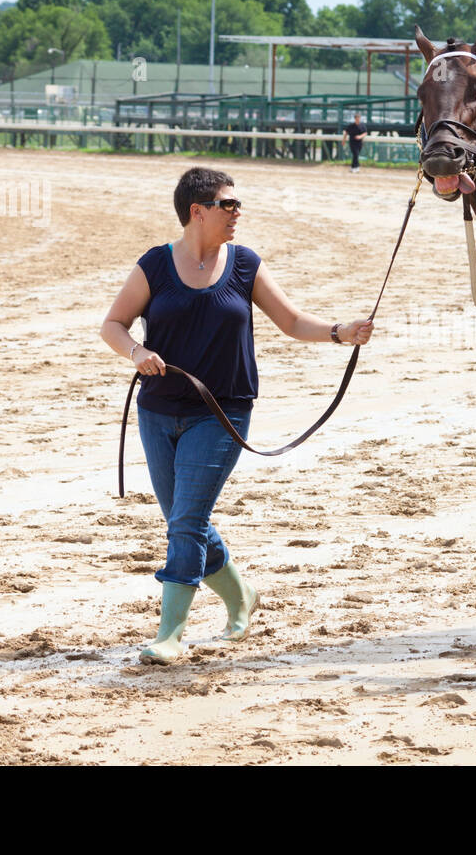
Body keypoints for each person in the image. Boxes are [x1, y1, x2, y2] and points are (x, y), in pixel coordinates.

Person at [100, 167, 374, 664]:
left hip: (221, 413)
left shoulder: (245, 264)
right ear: (197, 211)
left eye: (237, 204)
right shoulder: (155, 266)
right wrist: (136, 351)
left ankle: (170, 635)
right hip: (158, 412)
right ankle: (241, 596)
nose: (237, 212)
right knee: (189, 522)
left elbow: (290, 321)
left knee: (185, 523)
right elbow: (113, 324)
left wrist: (340, 331)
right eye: (228, 204)